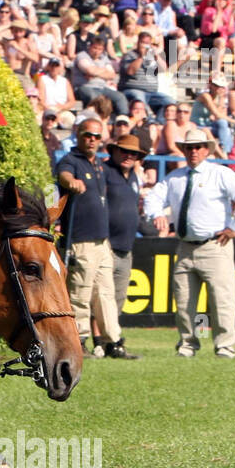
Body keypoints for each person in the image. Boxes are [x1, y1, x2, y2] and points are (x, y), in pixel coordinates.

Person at [142, 128, 235, 359]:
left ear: (206, 150)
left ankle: (224, 346)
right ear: (183, 150)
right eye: (189, 147)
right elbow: (153, 197)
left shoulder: (219, 173)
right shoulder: (175, 178)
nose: (193, 151)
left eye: (197, 147)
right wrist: (156, 214)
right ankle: (187, 344)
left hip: (215, 245)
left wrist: (234, 226)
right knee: (184, 301)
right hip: (185, 247)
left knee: (221, 300)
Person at [56, 117, 134, 360]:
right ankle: (78, 342)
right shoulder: (71, 160)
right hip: (81, 240)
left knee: (105, 293)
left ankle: (114, 342)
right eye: (88, 135)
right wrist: (72, 183)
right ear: (78, 135)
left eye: (97, 136)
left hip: (102, 241)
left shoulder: (98, 165)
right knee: (80, 292)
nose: (92, 140)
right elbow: (63, 177)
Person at [102, 133, 146, 359]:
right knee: (100, 297)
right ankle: (98, 343)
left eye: (133, 153)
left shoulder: (135, 177)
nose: (128, 156)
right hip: (106, 245)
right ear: (114, 151)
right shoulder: (104, 172)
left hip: (126, 248)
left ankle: (110, 343)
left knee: (117, 299)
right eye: (124, 151)